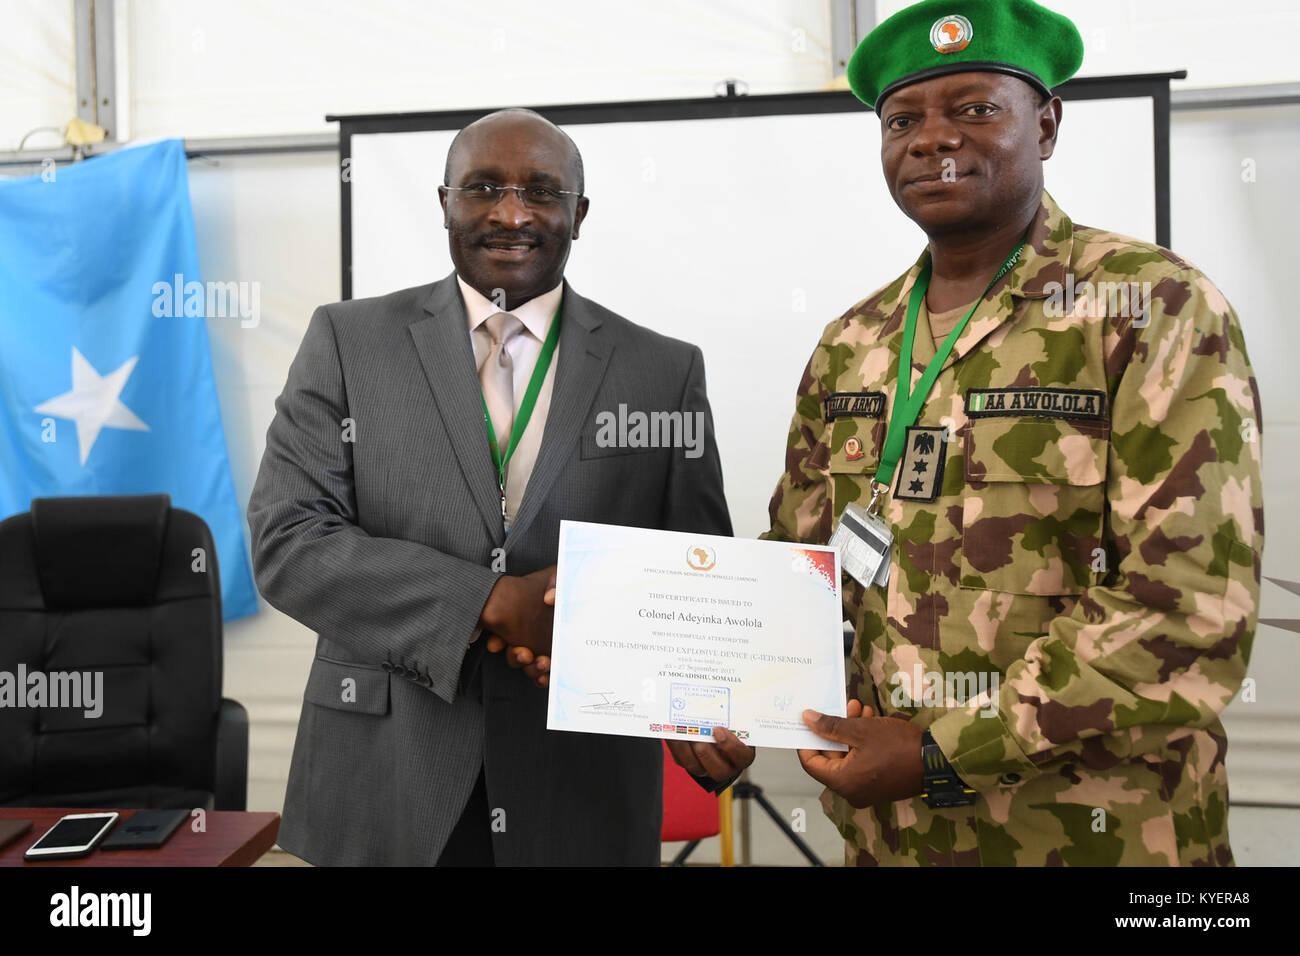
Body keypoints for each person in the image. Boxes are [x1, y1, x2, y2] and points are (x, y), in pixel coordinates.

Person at [764, 0, 1263, 865]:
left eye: (973, 108)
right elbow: (796, 568)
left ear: (1047, 122)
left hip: (1103, 841)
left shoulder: (1150, 304)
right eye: (902, 120)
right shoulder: (853, 342)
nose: (929, 139)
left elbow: (1185, 608)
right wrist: (723, 697)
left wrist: (939, 753)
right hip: (895, 843)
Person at [248, 108, 752, 866]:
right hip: (388, 774)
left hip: (580, 779)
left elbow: (695, 567)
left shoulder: (663, 370)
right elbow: (288, 541)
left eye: (541, 192)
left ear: (578, 215)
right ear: (445, 201)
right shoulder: (348, 342)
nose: (511, 214)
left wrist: (702, 709)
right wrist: (487, 601)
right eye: (483, 188)